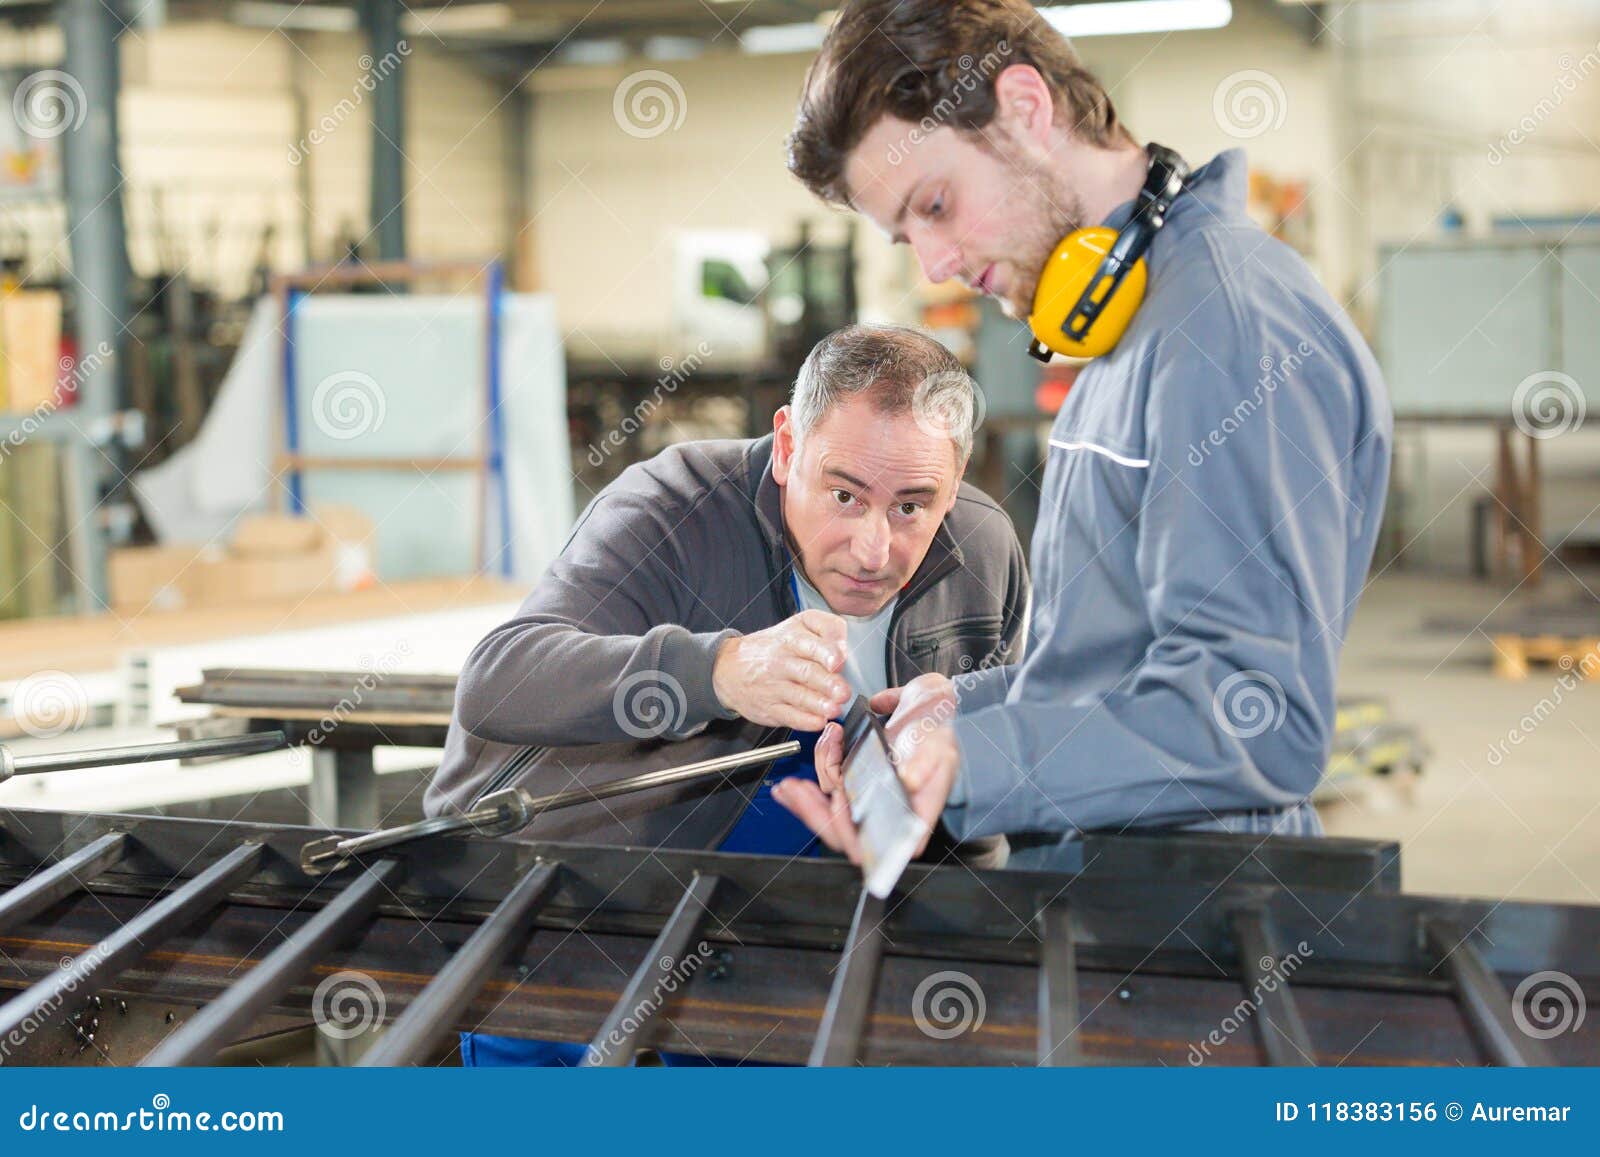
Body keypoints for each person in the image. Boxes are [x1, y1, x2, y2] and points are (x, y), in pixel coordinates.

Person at [774, 0, 1393, 867]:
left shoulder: (1225, 330)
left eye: (938, 205)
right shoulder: (1124, 329)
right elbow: (1115, 667)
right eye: (907, 235)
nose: (936, 263)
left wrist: (966, 765)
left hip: (1196, 932)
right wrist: (960, 706)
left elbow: (1252, 714)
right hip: (1115, 909)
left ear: (1026, 109)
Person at [426, 322, 1029, 1065]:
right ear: (786, 447)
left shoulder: (983, 547)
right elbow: (499, 679)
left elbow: (1012, 757)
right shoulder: (671, 505)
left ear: (958, 471)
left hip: (775, 921)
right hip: (573, 891)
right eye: (844, 494)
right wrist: (720, 671)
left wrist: (954, 748)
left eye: (912, 505)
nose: (874, 550)